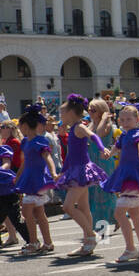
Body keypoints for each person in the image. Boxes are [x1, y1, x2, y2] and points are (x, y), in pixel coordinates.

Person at [53, 94, 108, 257]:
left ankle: (91, 235)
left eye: (62, 114)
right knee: (84, 207)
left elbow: (94, 135)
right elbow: (70, 154)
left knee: (68, 207)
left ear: (71, 113)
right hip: (75, 170)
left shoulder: (78, 127)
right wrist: (63, 171)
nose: (60, 117)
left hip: (82, 170)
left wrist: (101, 147)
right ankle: (88, 244)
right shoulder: (72, 129)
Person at [101, 102, 139, 264]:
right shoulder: (124, 135)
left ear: (137, 119)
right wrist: (110, 153)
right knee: (135, 214)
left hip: (133, 176)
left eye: (128, 119)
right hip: (125, 174)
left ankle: (131, 248)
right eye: (122, 119)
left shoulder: (138, 133)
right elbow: (117, 147)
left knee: (119, 213)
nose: (124, 122)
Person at [13, 106, 57, 254]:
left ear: (25, 126)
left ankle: (33, 242)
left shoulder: (40, 141)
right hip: (29, 177)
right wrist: (18, 175)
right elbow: (25, 161)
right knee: (39, 213)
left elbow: (47, 157)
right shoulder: (25, 141)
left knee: (26, 212)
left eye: (20, 126)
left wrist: (53, 172)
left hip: (37, 179)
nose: (20, 128)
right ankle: (48, 243)